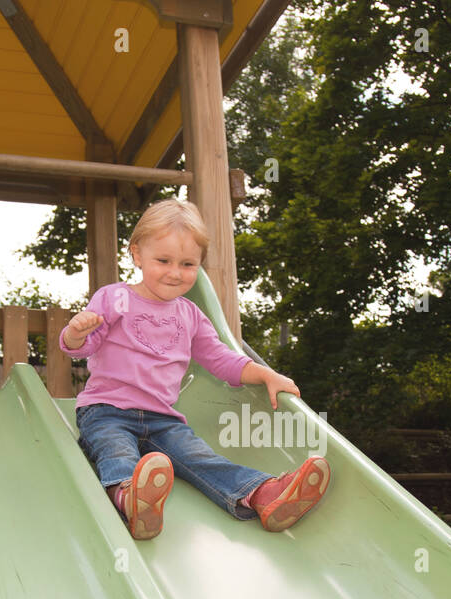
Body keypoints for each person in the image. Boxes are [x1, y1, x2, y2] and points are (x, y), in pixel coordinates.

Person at [59, 198, 330, 540]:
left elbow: (220, 358)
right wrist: (75, 332)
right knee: (114, 449)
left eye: (187, 264)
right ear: (137, 254)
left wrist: (264, 373)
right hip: (107, 409)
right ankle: (131, 498)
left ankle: (264, 494)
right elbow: (84, 345)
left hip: (163, 418)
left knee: (200, 457)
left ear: (199, 265)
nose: (175, 272)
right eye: (163, 260)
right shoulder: (114, 298)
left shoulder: (189, 315)